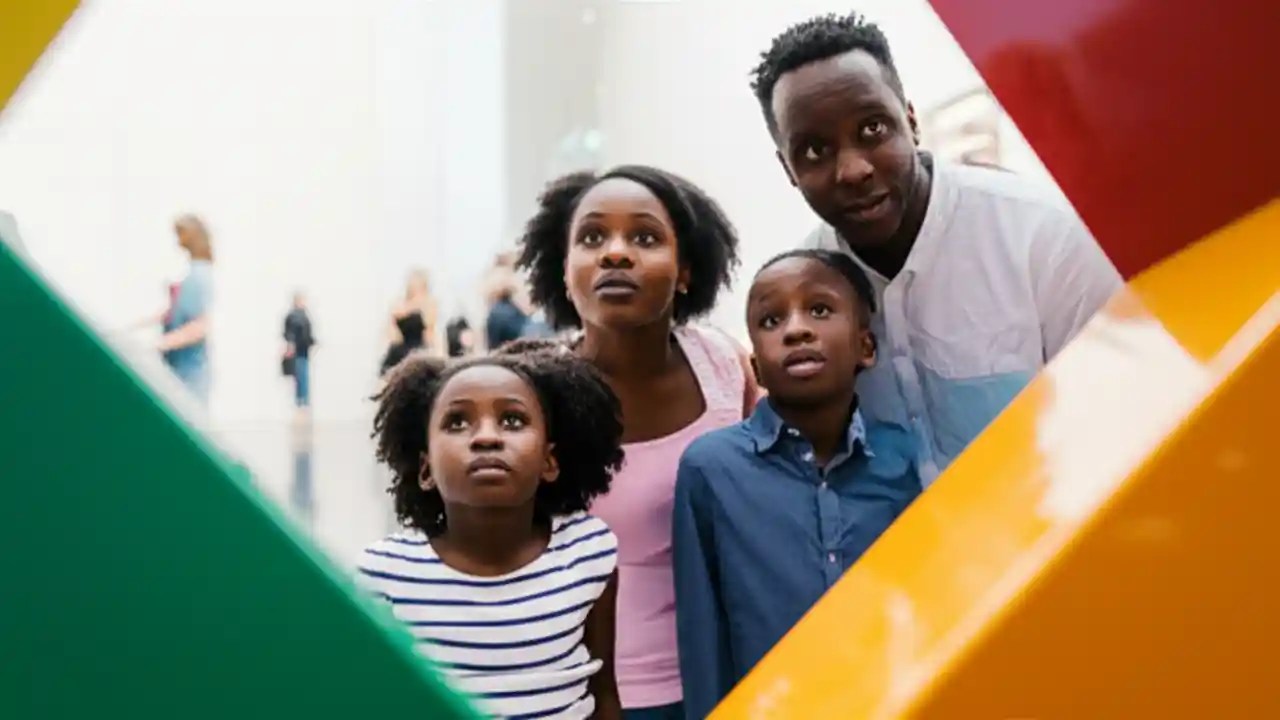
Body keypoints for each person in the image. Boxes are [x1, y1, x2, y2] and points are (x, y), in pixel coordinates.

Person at [750, 13, 1123, 485]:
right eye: (814, 152)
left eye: (872, 129)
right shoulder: (804, 299)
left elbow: (1124, 416)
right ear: (788, 169)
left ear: (910, 121)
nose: (853, 170)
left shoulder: (1040, 235)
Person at [516, 165, 758, 719]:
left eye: (645, 238)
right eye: (592, 238)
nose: (616, 254)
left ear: (686, 270)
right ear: (564, 270)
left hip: (719, 676)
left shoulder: (722, 364)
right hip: (579, 693)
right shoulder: (533, 394)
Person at [673, 250, 921, 717]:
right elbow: (703, 633)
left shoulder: (904, 459)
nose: (796, 330)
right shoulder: (711, 469)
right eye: (771, 321)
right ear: (757, 369)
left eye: (820, 310)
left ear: (866, 347)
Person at [357, 350, 626, 720]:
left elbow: (604, 695)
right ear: (426, 468)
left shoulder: (587, 552)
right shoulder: (386, 573)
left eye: (512, 420)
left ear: (549, 461)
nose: (486, 437)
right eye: (457, 423)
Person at [157, 214, 216, 404]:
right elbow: (175, 313)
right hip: (180, 369)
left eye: (179, 234)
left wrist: (162, 343)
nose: (177, 240)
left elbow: (200, 325)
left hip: (189, 372)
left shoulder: (198, 276)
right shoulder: (193, 274)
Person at [381, 269, 437, 376]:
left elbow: (430, 328)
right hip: (399, 351)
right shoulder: (399, 302)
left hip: (419, 350)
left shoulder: (430, 303)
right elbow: (392, 333)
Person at [282, 291, 316, 412]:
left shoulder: (303, 314)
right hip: (298, 348)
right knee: (301, 374)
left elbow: (307, 332)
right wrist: (290, 346)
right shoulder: (294, 316)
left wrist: (312, 342)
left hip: (304, 347)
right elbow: (290, 333)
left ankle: (303, 400)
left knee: (303, 374)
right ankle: (301, 400)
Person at [486, 282, 531, 350]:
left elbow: (491, 333)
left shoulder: (493, 310)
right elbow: (523, 323)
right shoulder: (513, 308)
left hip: (498, 346)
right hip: (513, 344)